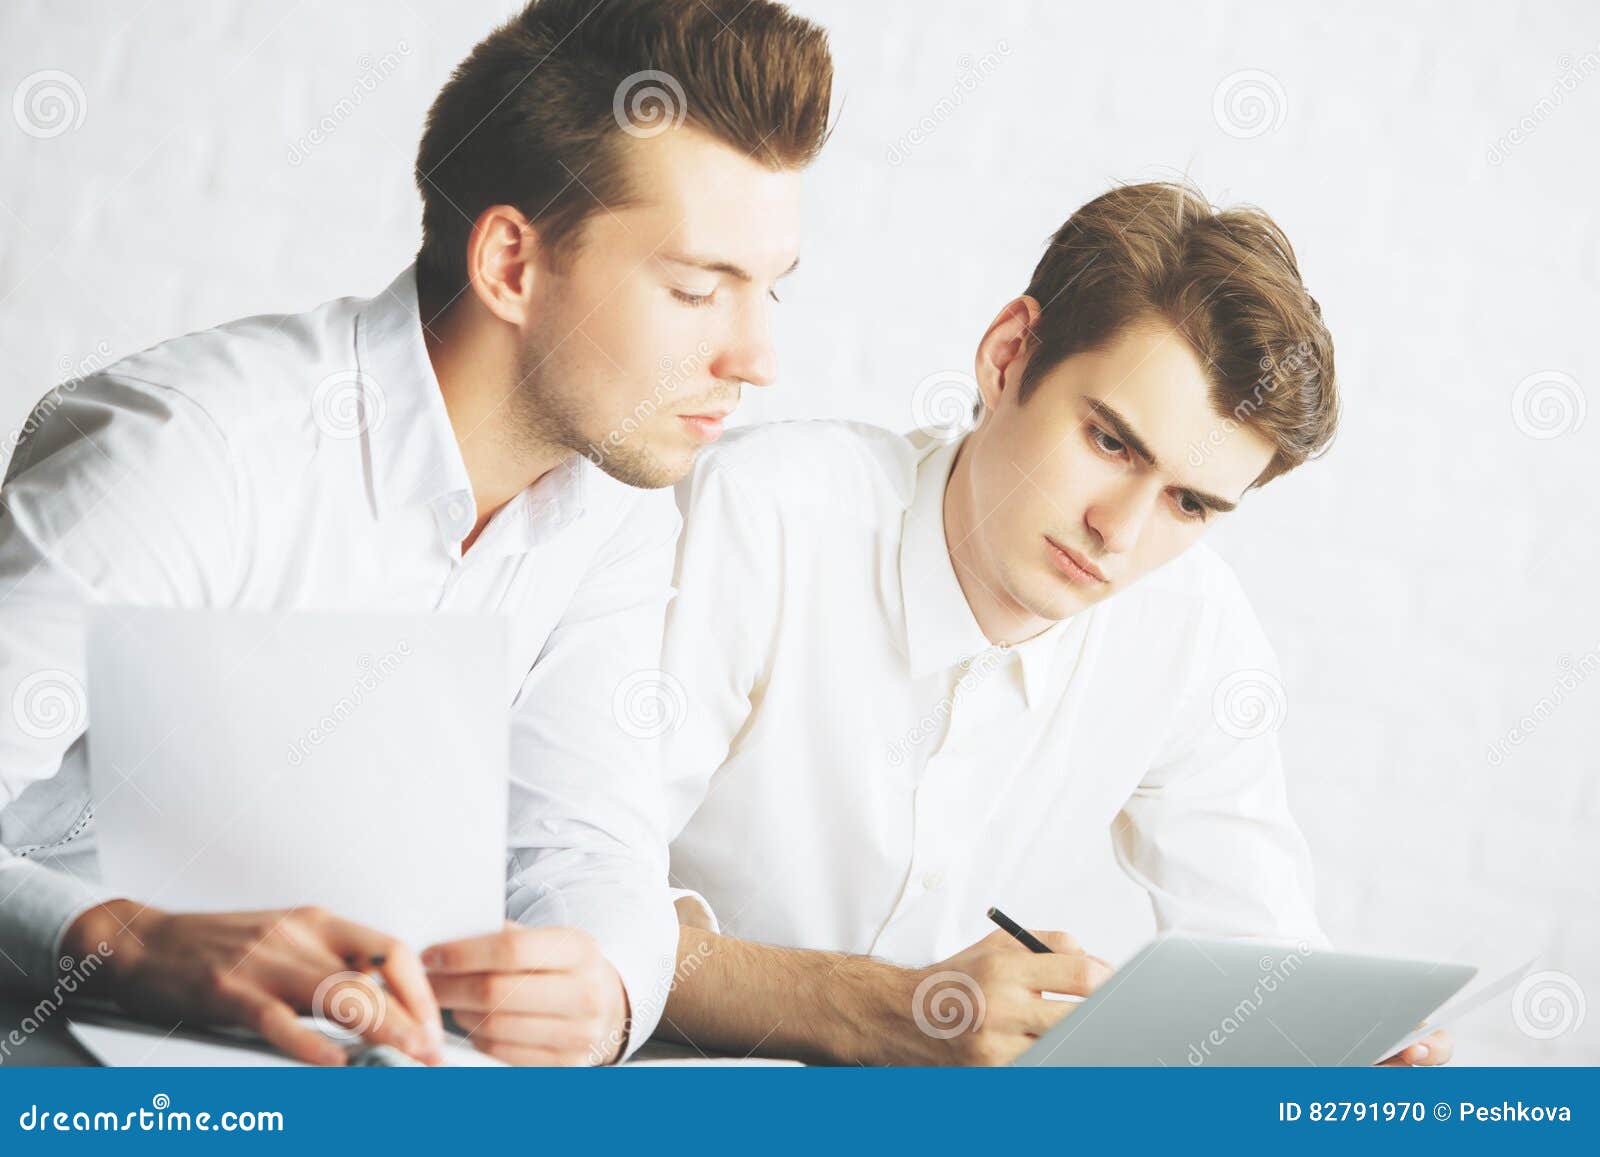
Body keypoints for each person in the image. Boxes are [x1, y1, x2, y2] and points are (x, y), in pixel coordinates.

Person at [0, 0, 831, 1066]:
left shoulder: (614, 502)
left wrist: (610, 985)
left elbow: (586, 841)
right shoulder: (192, 450)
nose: (758, 356)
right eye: (695, 289)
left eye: (770, 292)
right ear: (511, 267)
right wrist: (122, 939)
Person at [656, 181, 1452, 1066]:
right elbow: (560, 899)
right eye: (1111, 443)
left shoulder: (1194, 629)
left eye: (1187, 503)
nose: (1119, 532)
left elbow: (1258, 958)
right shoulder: (756, 516)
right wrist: (887, 1010)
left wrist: (1334, 1057)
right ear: (1006, 358)